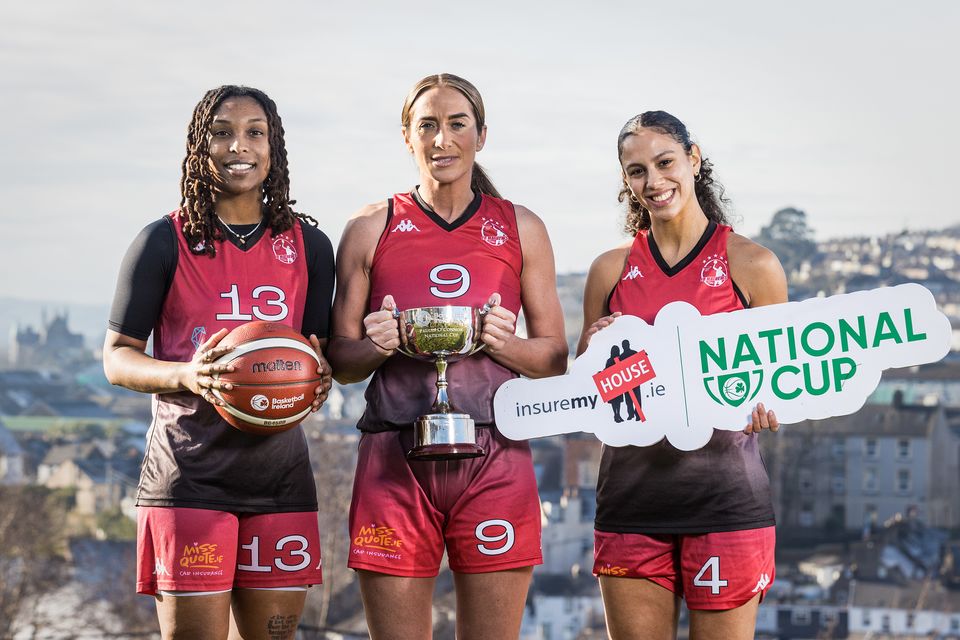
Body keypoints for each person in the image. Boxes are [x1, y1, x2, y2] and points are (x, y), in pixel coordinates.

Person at [327, 73, 567, 640]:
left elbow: (555, 356)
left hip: (496, 455)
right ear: (406, 137)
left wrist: (505, 344)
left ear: (481, 135)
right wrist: (375, 344)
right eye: (427, 125)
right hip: (393, 457)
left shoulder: (520, 227)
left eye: (457, 124)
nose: (443, 139)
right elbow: (341, 360)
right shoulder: (369, 227)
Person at [102, 85, 335, 640]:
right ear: (199, 147)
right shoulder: (162, 240)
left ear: (273, 147)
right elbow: (117, 359)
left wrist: (321, 376)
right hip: (189, 478)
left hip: (282, 479)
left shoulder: (311, 246)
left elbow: (317, 356)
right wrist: (187, 374)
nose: (240, 146)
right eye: (223, 132)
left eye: (255, 132)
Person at [577, 111, 785, 640]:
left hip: (727, 502)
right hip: (630, 500)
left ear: (693, 160)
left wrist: (772, 408)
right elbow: (584, 392)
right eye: (637, 170)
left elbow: (785, 382)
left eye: (665, 162)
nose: (653, 181)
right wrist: (596, 351)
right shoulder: (610, 269)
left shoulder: (753, 266)